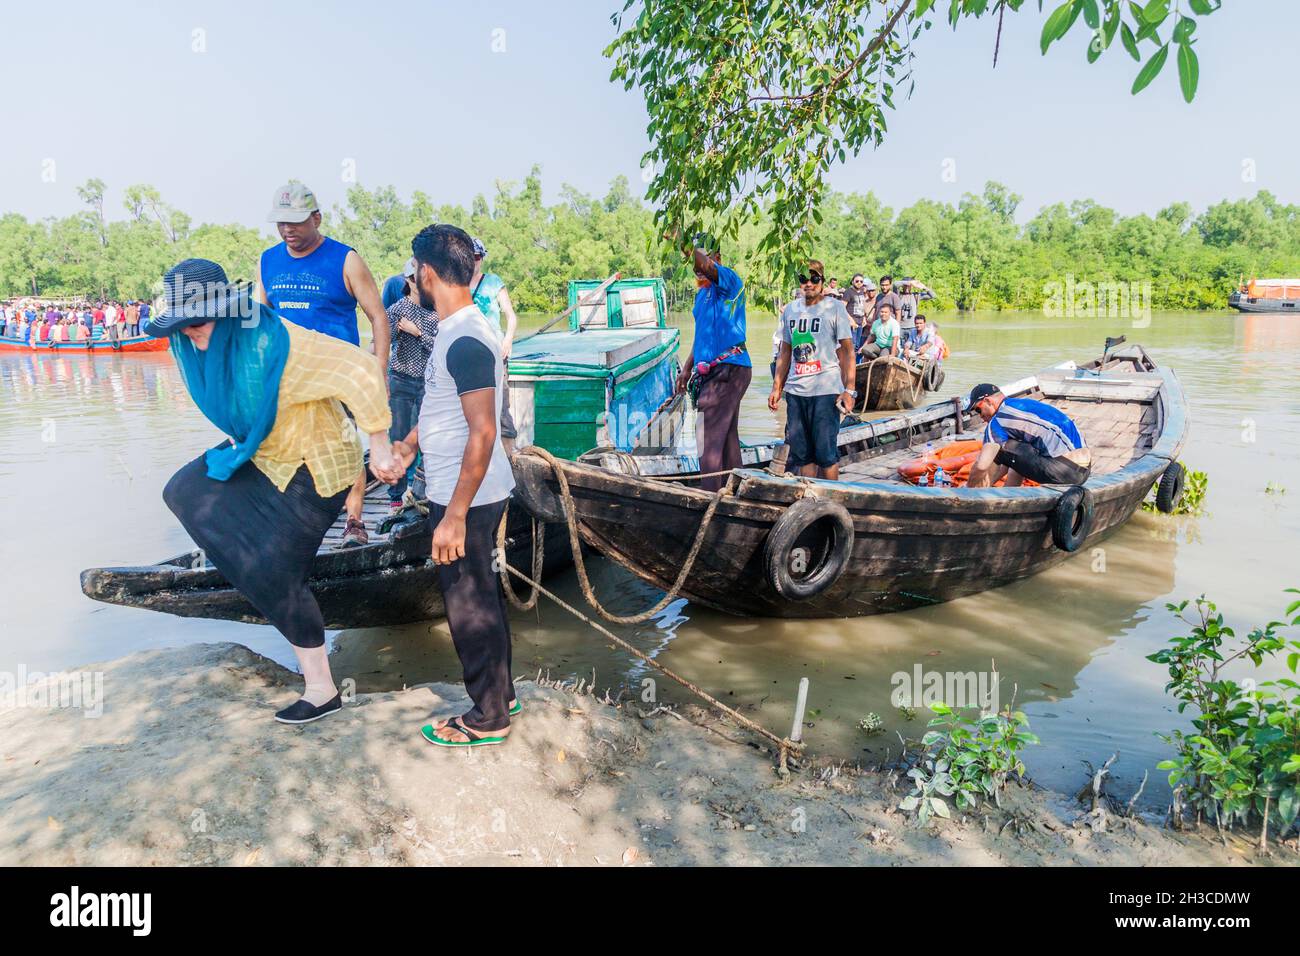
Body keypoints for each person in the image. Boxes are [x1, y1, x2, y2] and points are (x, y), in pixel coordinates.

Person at [147, 258, 394, 724]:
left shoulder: (280, 345)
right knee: (184, 490)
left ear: (222, 313)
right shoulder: (197, 348)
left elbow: (361, 370)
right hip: (263, 450)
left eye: (198, 324)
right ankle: (256, 568)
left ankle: (322, 690)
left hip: (317, 463)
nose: (192, 334)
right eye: (181, 326)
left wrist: (378, 444)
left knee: (275, 572)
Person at [376, 225, 517, 748]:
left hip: (469, 495)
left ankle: (488, 717)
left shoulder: (465, 339)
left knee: (467, 602)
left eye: (416, 270)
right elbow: (442, 408)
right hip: (466, 488)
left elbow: (482, 432)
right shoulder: (459, 328)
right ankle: (502, 694)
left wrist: (454, 514)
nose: (416, 278)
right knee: (480, 591)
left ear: (427, 273)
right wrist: (409, 445)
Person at [255, 182, 391, 548]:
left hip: (341, 374)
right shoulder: (268, 261)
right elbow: (261, 321)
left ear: (317, 217)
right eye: (281, 223)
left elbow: (378, 317)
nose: (288, 230)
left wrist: (377, 373)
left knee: (348, 446)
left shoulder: (345, 259)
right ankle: (295, 523)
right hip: (291, 377)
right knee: (289, 449)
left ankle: (354, 522)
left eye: (296, 222)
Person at [674, 236, 750, 492]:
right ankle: (736, 493)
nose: (697, 267)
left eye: (703, 259)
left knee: (706, 439)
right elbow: (702, 336)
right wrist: (687, 368)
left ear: (716, 258)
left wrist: (679, 240)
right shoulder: (701, 294)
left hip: (730, 369)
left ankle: (706, 500)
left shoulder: (729, 281)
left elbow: (706, 267)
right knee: (726, 439)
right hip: (712, 370)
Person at [769, 261, 856, 480]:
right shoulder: (790, 310)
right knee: (802, 456)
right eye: (804, 279)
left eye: (814, 278)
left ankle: (830, 505)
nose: (809, 283)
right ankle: (811, 502)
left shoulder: (835, 308)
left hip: (826, 391)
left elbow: (847, 351)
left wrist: (849, 390)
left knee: (826, 455)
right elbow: (785, 351)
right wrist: (777, 387)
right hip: (797, 392)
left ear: (822, 281)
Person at [382, 259, 439, 510]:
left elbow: (440, 346)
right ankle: (396, 495)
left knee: (429, 437)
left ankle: (425, 489)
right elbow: (385, 340)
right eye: (414, 279)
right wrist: (395, 329)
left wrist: (417, 333)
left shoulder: (436, 310)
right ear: (408, 281)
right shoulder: (396, 309)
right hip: (401, 380)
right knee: (398, 438)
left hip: (428, 382)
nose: (418, 283)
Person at [965, 383, 1091, 487]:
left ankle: (976, 493)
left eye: (978, 410)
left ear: (988, 401)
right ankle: (1010, 496)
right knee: (1016, 449)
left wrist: (968, 489)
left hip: (1064, 471)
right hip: (1083, 471)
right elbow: (1015, 462)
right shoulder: (1023, 404)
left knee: (1001, 449)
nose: (980, 417)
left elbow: (982, 466)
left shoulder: (998, 420)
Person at [468, 237, 519, 453]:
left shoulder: (493, 282)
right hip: (469, 354)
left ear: (482, 258)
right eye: (470, 257)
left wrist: (507, 340)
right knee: (471, 408)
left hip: (495, 351)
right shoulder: (456, 284)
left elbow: (511, 316)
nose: (474, 261)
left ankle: (510, 459)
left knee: (501, 407)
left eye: (477, 257)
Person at [895, 277, 934, 350]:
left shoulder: (916, 296)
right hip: (900, 327)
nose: (907, 287)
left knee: (912, 349)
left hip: (913, 328)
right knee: (899, 349)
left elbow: (933, 296)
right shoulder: (897, 295)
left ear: (911, 287)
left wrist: (924, 287)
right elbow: (895, 284)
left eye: (909, 286)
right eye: (905, 285)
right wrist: (909, 282)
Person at [842, 274, 875, 350]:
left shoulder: (861, 292)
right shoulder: (848, 292)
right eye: (857, 281)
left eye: (861, 281)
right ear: (852, 281)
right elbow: (842, 308)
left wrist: (863, 318)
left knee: (857, 346)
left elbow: (861, 306)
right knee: (851, 346)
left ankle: (854, 362)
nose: (859, 283)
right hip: (851, 323)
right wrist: (851, 321)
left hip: (860, 323)